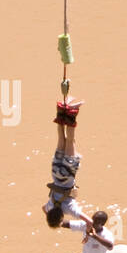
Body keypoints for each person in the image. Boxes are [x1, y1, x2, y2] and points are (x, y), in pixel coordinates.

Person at [43, 98, 93, 228]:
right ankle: (61, 109)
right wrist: (49, 216)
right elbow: (44, 208)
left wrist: (88, 232)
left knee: (70, 140)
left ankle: (72, 111)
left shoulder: (69, 209)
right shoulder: (50, 206)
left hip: (67, 172)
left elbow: (90, 222)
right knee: (61, 138)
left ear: (61, 217)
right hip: (55, 172)